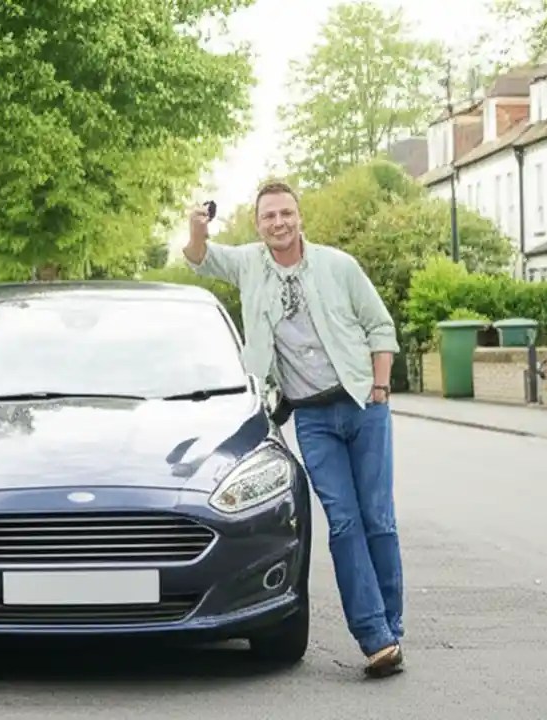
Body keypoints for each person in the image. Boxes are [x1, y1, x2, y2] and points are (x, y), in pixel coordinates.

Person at [183, 182, 405, 678]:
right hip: (312, 417)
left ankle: (393, 625)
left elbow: (379, 326)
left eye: (286, 213)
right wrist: (197, 226)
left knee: (378, 520)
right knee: (344, 523)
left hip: (362, 406)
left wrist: (381, 390)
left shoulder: (338, 266)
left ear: (299, 217)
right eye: (268, 217)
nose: (278, 223)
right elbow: (199, 258)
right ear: (258, 225)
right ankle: (375, 637)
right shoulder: (247, 265)